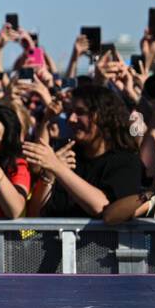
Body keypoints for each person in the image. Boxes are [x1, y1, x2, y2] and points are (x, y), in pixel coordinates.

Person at [24, 84, 141, 218]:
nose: (71, 119)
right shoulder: (65, 152)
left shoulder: (126, 161)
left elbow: (103, 207)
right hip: (54, 239)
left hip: (101, 240)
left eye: (80, 113)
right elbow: (33, 218)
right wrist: (49, 176)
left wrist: (58, 168)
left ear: (102, 116)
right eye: (69, 112)